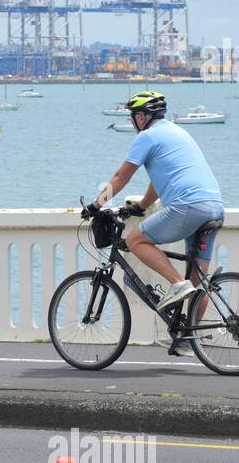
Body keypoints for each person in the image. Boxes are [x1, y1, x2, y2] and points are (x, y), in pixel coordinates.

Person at [92, 90, 225, 317]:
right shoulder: (177, 131)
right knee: (197, 285)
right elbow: (160, 180)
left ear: (142, 117)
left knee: (135, 240)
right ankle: (187, 338)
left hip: (188, 207)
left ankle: (176, 283)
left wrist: (95, 205)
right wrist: (142, 206)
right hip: (214, 208)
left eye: (133, 116)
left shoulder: (146, 137)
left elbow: (120, 177)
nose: (133, 122)